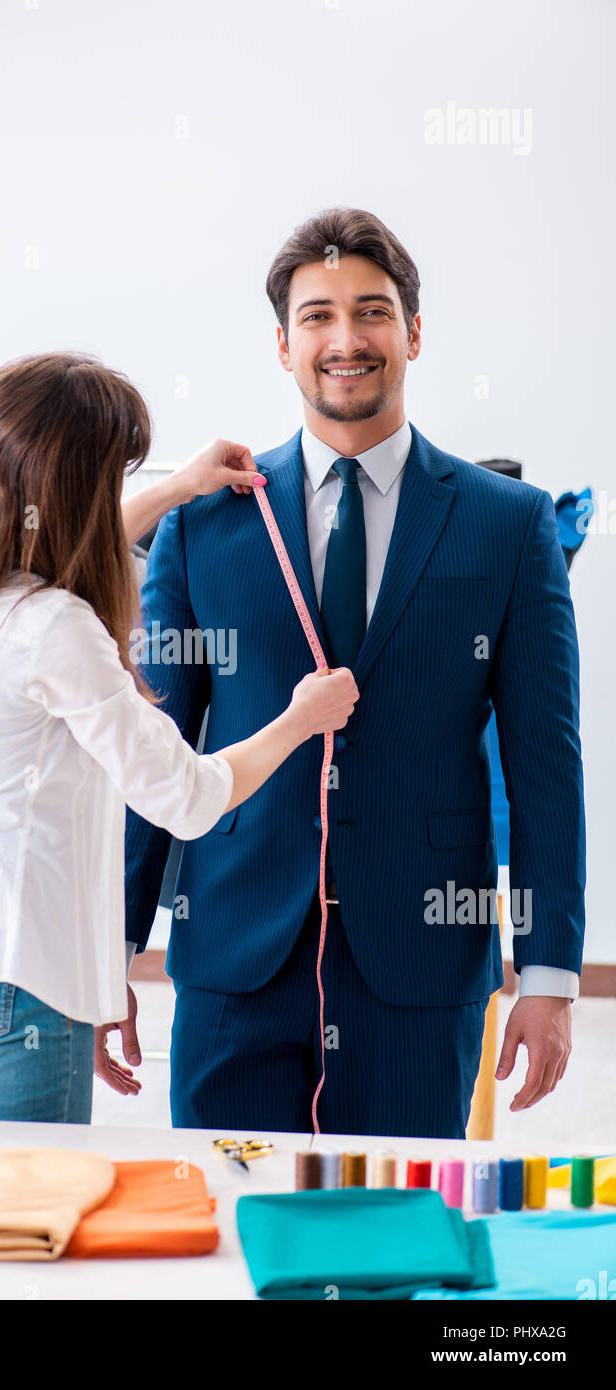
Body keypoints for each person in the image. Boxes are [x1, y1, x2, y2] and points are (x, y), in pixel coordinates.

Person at [116, 207, 585, 1138]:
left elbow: (544, 760)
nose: (345, 338)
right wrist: (115, 947)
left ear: (411, 333)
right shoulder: (204, 522)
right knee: (231, 1229)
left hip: (421, 954)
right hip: (234, 951)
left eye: (370, 312)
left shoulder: (508, 522)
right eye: (317, 316)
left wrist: (548, 975)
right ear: (283, 345)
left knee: (399, 1236)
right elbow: (153, 752)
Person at [0, 351, 358, 1123]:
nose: (116, 492)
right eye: (111, 478)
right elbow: (185, 798)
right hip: (4, 986)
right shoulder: (57, 630)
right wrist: (298, 720)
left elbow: (37, 561)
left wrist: (179, 486)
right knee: (16, 1228)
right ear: (71, 487)